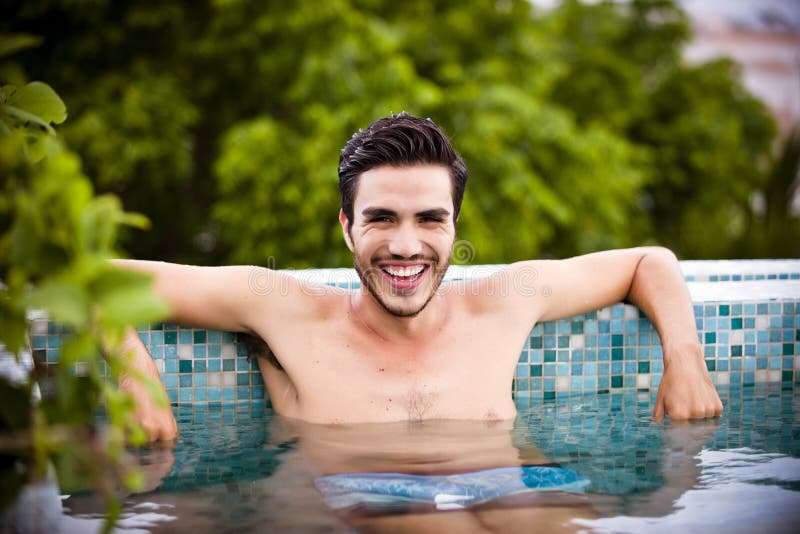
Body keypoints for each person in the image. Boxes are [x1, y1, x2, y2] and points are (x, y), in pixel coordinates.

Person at [114, 113, 722, 442]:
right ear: (347, 227)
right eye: (381, 218)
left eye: (430, 219)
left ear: (455, 227)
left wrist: (686, 359)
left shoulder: (503, 303)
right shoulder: (284, 308)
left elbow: (649, 262)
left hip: (507, 504)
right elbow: (94, 278)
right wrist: (133, 375)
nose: (406, 246)